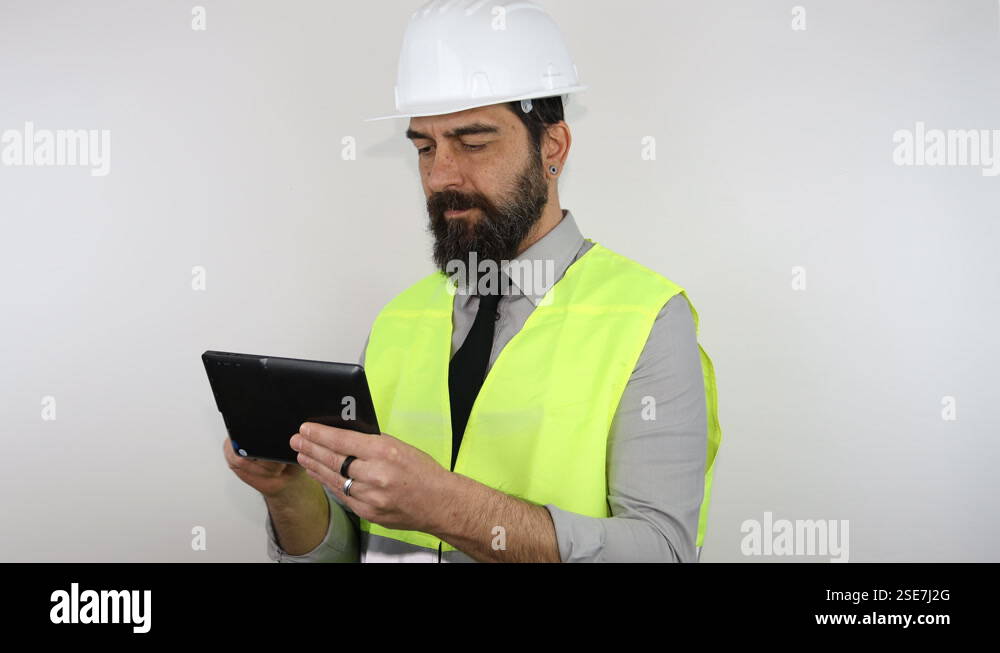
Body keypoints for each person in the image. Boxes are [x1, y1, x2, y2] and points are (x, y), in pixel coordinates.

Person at [223, 0, 722, 563]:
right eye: (424, 147)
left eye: (473, 143)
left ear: (552, 147)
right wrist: (287, 491)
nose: (440, 176)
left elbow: (662, 552)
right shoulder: (398, 320)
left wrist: (443, 505)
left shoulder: (647, 318)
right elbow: (349, 551)